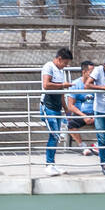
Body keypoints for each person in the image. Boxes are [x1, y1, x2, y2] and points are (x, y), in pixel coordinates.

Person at [40, 47, 73, 175]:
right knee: (54, 135)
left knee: (56, 135)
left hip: (57, 106)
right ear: (59, 59)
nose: (65, 66)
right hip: (47, 106)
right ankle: (49, 164)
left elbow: (60, 92)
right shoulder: (48, 67)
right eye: (65, 63)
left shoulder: (60, 71)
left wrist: (66, 108)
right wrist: (63, 85)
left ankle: (52, 164)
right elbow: (46, 85)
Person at [64, 59, 97, 155]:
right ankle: (82, 146)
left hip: (96, 112)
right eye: (91, 72)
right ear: (84, 72)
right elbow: (70, 106)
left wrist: (95, 116)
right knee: (70, 125)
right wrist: (84, 116)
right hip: (81, 113)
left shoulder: (97, 83)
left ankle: (97, 145)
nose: (93, 75)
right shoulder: (75, 84)